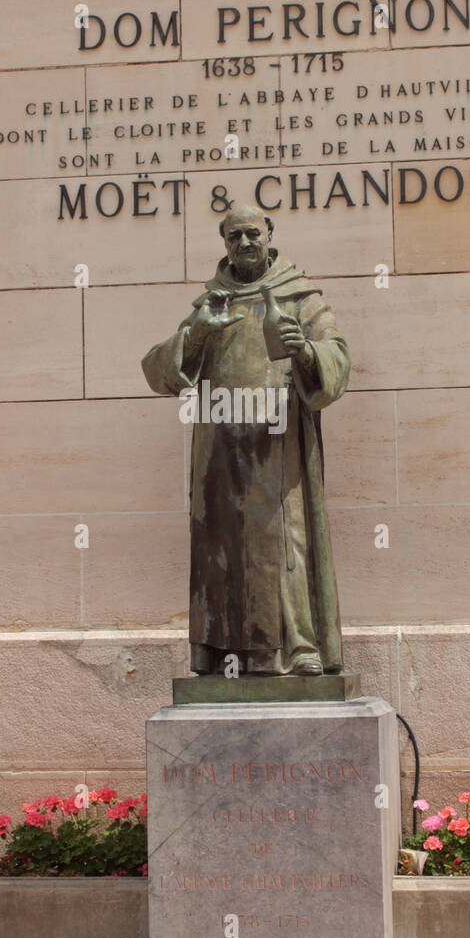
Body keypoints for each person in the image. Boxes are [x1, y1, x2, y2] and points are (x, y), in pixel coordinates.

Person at [141, 204, 350, 677]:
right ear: (224, 242)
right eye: (234, 236)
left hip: (279, 445)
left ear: (269, 233)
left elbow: (338, 358)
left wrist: (306, 351)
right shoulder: (211, 305)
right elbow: (158, 369)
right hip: (220, 451)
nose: (245, 243)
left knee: (286, 542)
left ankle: (299, 646)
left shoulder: (299, 296)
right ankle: (225, 654)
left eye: (252, 233)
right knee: (225, 554)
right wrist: (195, 335)